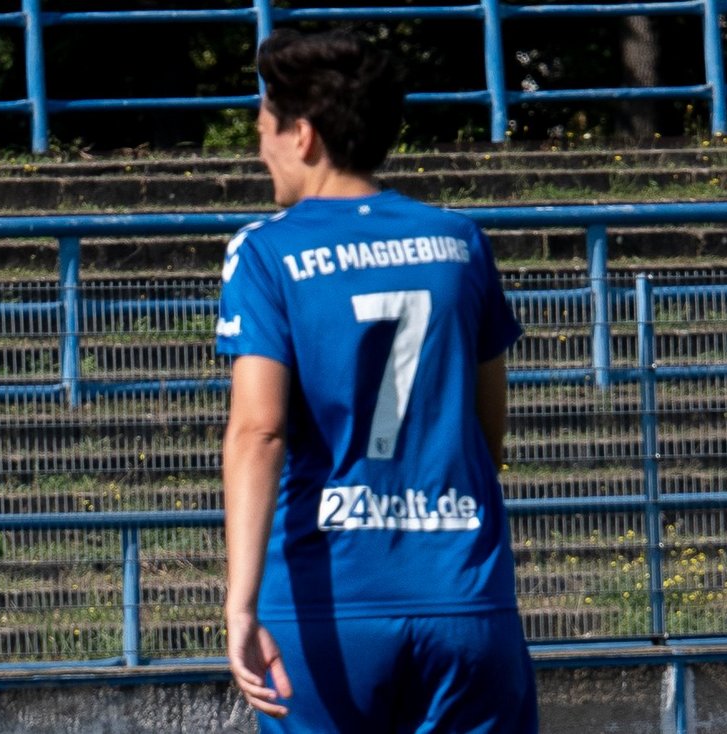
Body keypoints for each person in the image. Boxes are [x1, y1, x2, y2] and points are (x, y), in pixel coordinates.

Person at [217, 28, 535, 733]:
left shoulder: (267, 251)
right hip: (464, 596)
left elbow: (259, 429)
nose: (259, 145)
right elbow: (487, 434)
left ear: (303, 136)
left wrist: (240, 605)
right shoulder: (462, 242)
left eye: (264, 128)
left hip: (331, 606)